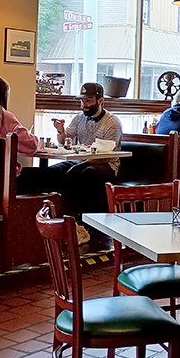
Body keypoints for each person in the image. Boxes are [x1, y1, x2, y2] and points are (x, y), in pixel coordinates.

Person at [45, 81, 123, 242]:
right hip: (80, 161)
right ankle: (61, 220)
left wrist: (81, 164)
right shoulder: (79, 118)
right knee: (53, 172)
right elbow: (63, 140)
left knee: (84, 174)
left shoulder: (112, 122)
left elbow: (108, 155)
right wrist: (60, 130)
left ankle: (83, 224)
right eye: (82, 101)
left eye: (88, 101)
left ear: (100, 101)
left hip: (106, 165)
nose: (84, 105)